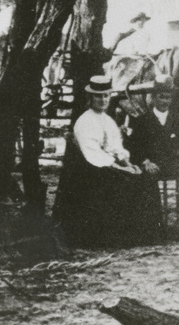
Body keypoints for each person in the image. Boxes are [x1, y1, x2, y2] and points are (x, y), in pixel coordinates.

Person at [52, 76, 160, 248]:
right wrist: (121, 169)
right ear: (90, 98)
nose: (102, 100)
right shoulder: (85, 121)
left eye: (105, 96)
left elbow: (117, 147)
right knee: (126, 182)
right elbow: (93, 155)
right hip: (91, 169)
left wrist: (128, 164)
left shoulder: (107, 119)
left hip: (109, 164)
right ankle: (116, 237)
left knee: (145, 178)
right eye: (98, 96)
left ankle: (146, 235)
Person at [124, 74, 179, 239]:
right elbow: (134, 146)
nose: (165, 101)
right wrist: (145, 162)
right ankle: (154, 230)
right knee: (145, 180)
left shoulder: (174, 118)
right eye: (161, 97)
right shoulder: (142, 120)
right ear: (153, 98)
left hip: (171, 162)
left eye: (168, 98)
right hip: (152, 164)